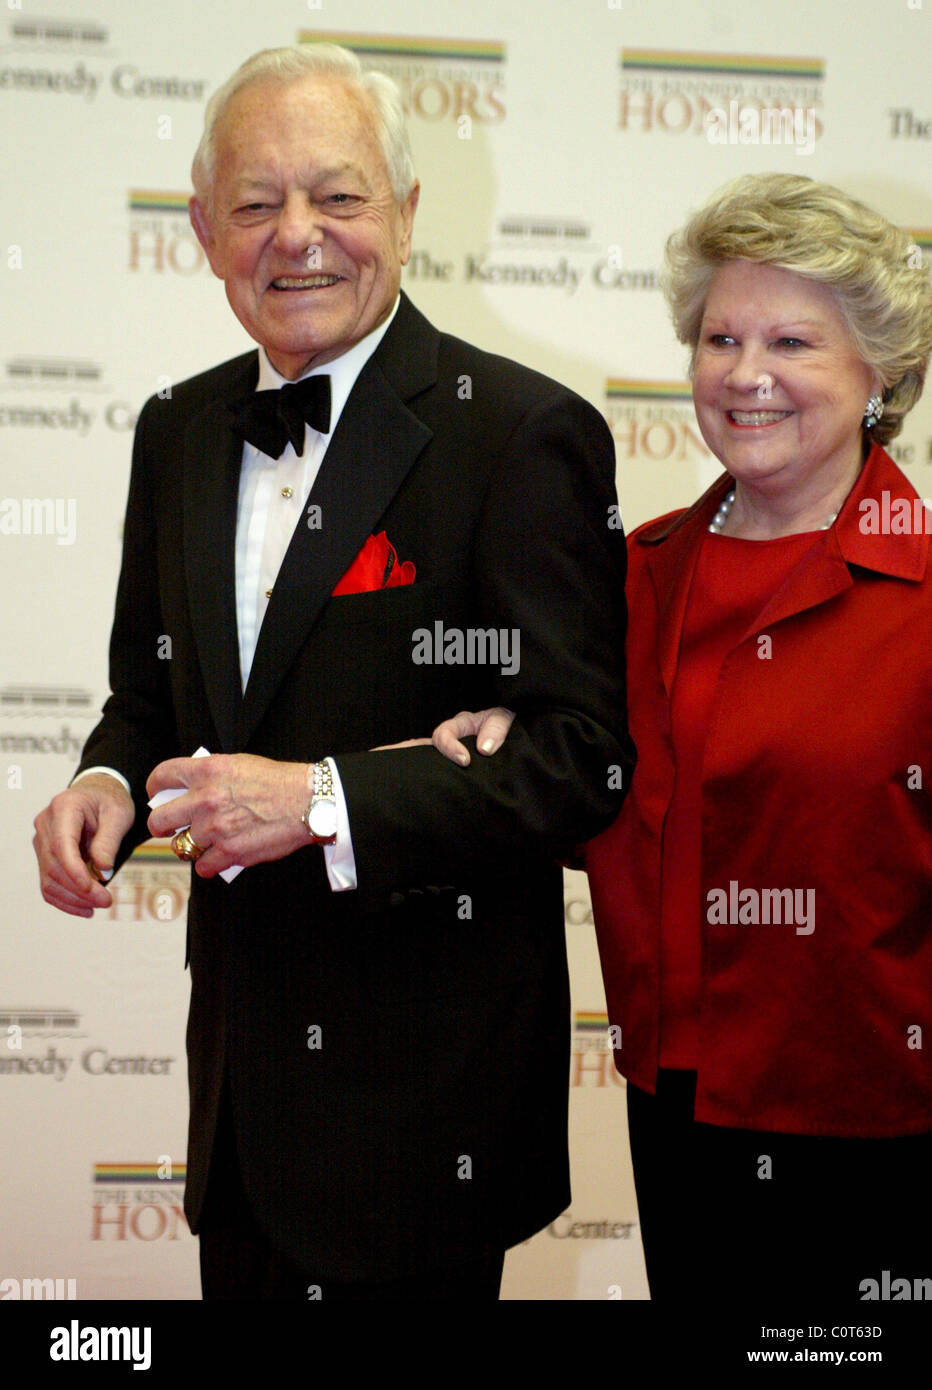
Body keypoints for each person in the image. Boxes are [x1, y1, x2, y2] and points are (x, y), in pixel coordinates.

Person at [32, 43, 633, 1300]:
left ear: (406, 217)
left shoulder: (518, 431)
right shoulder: (177, 427)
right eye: (256, 203)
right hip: (240, 1099)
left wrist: (321, 798)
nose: (296, 236)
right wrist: (104, 777)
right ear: (202, 229)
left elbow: (581, 757)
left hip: (427, 1108)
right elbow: (152, 690)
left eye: (338, 197)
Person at [434, 173, 932, 1302]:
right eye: (720, 337)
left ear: (882, 371)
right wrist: (508, 739)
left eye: (793, 340)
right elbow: (604, 794)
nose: (746, 373)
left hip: (876, 1135)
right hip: (672, 1105)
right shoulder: (630, 577)